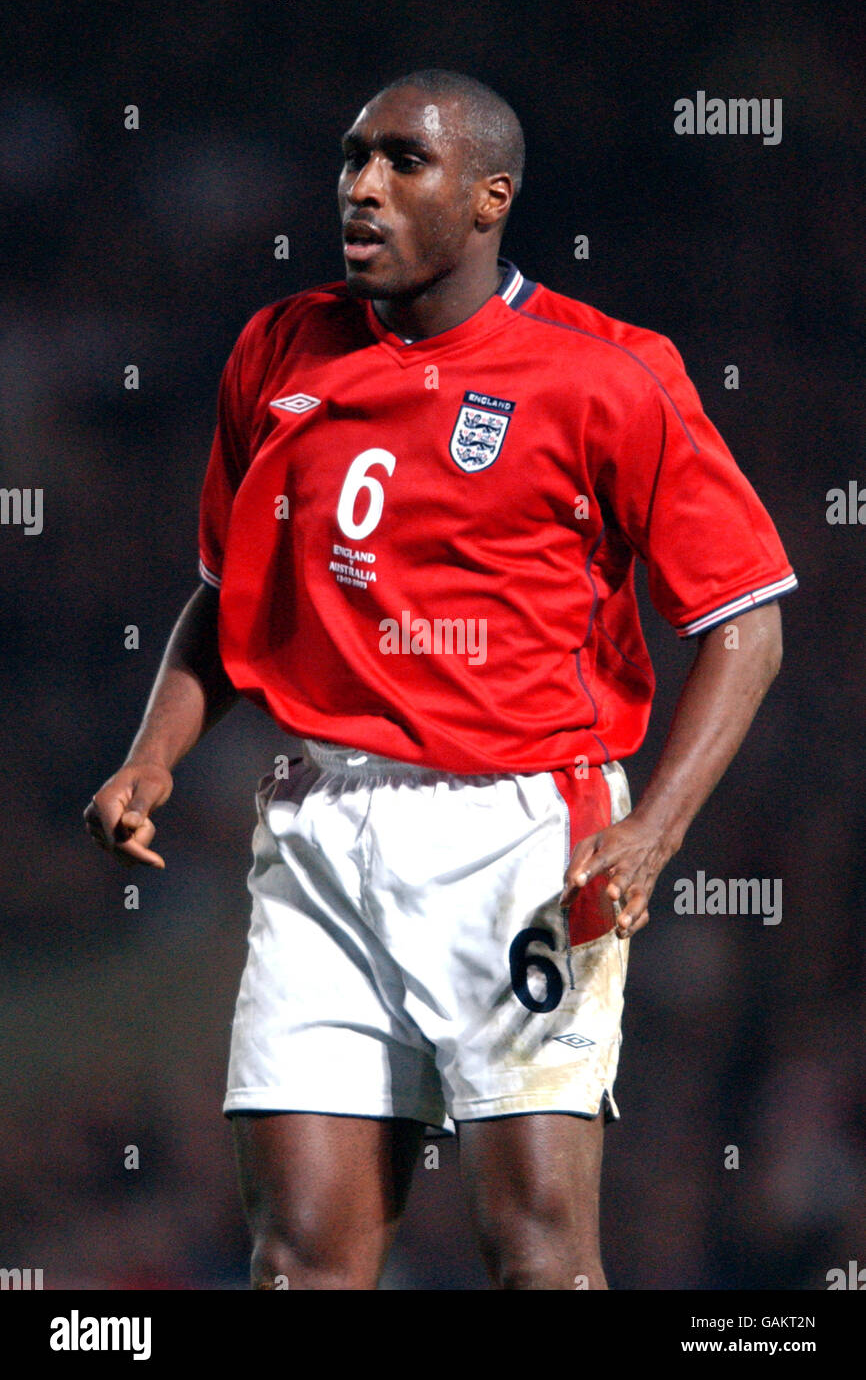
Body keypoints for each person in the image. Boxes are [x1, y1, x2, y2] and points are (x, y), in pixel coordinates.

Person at [84, 69, 796, 1290]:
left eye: (402, 162)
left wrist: (655, 829)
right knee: (299, 1257)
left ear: (487, 198)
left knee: (534, 1251)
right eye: (352, 158)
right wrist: (155, 754)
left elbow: (743, 618)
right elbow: (225, 590)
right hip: (315, 825)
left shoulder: (607, 373)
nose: (360, 187)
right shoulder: (277, 349)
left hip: (522, 833)